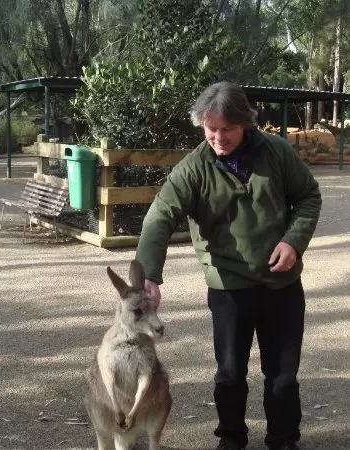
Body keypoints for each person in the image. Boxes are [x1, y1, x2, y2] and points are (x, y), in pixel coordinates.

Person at [135, 82, 322, 450]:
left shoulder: (277, 152)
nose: (219, 137)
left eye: (227, 129)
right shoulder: (193, 169)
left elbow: (308, 198)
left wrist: (293, 242)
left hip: (281, 283)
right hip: (229, 287)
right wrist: (149, 275)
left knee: (282, 375)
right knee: (231, 373)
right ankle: (232, 439)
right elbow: (160, 217)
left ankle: (284, 439)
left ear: (246, 124)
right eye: (211, 129)